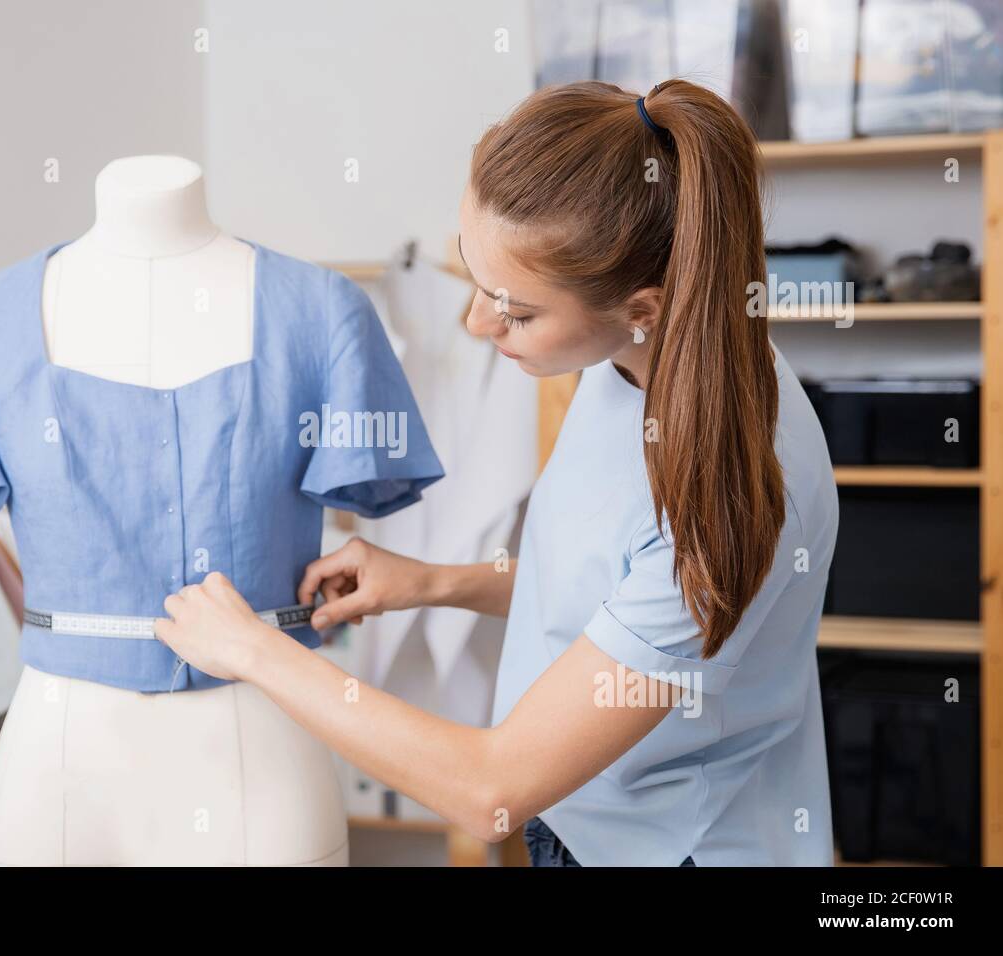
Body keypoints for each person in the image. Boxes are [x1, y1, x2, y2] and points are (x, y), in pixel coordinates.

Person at [154, 79, 839, 866]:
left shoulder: (722, 501)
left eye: (513, 311)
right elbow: (608, 595)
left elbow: (492, 793)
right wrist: (433, 583)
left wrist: (251, 651)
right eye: (477, 282)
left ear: (642, 307)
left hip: (671, 848)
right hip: (583, 817)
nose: (477, 324)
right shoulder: (640, 355)